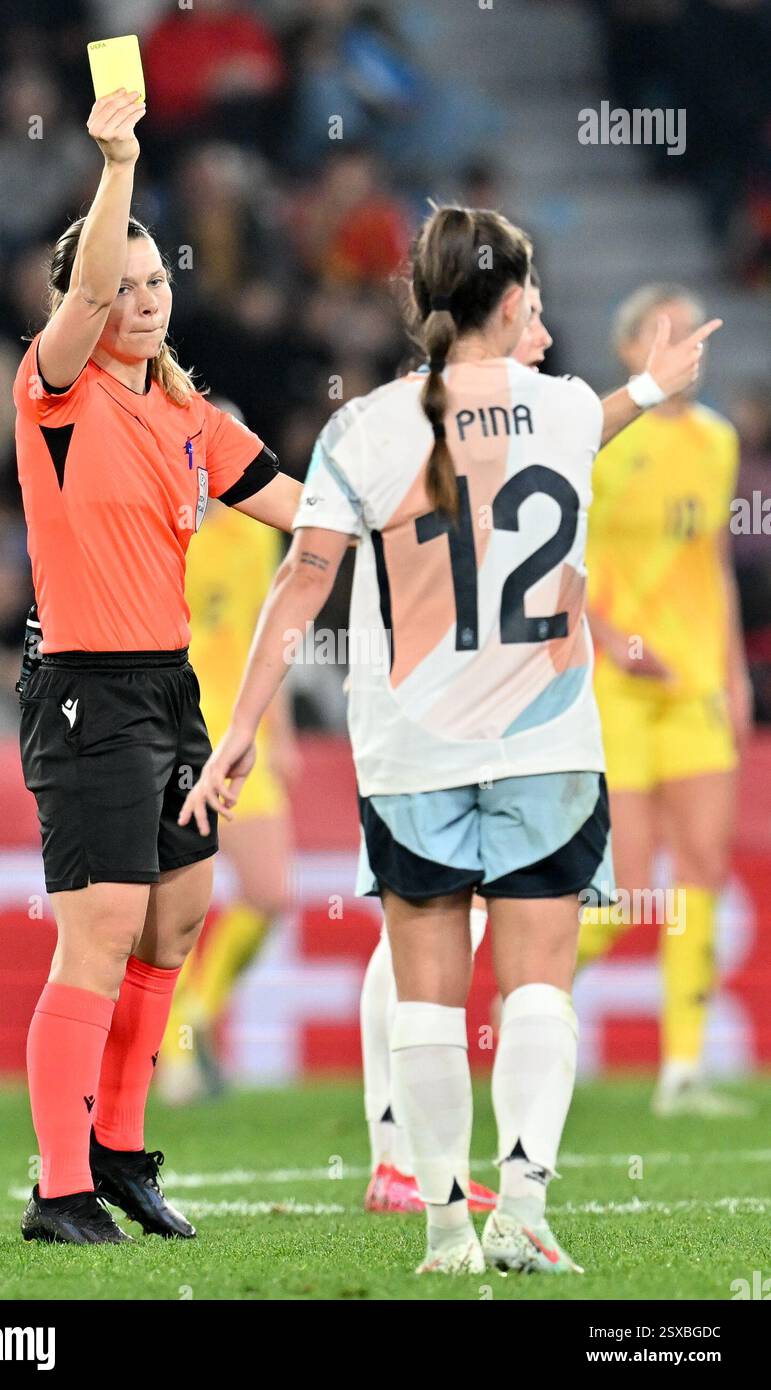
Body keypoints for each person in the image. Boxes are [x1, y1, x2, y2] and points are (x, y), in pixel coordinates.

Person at [183, 204, 623, 1276]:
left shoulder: (365, 429)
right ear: (516, 301)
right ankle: (523, 1205)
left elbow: (304, 578)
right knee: (537, 988)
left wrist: (241, 724)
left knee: (426, 990)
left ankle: (442, 1230)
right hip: (547, 742)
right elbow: (603, 415)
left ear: (419, 302)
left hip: (412, 746)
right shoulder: (565, 411)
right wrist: (654, 384)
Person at [360, 270, 723, 1211]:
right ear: (498, 320)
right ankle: (411, 1156)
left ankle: (438, 1178)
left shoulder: (527, 419)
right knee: (448, 937)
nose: (548, 334)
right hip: (474, 717)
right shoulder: (451, 424)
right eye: (533, 317)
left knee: (462, 930)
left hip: (516, 722)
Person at [12, 89, 299, 1245]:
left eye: (154, 282)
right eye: (120, 285)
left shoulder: (191, 414)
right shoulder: (58, 392)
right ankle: (59, 1186)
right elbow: (81, 291)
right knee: (102, 929)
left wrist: (422, 490)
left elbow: (299, 504)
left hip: (171, 689)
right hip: (86, 687)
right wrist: (120, 157)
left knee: (178, 924)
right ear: (84, 300)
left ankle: (122, 1151)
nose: (140, 299)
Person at [577, 284, 750, 1117]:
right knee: (623, 888)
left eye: (693, 331)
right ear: (625, 348)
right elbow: (555, 561)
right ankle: (532, 995)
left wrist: (735, 674)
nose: (686, 345)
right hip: (619, 685)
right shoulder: (601, 439)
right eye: (667, 332)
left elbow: (711, 558)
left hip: (696, 687)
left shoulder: (718, 440)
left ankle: (682, 1068)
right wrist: (611, 643)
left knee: (703, 870)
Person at [158, 473, 297, 1104]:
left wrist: (283, 727)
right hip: (176, 730)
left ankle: (195, 1012)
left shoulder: (255, 536)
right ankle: (171, 1045)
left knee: (270, 893)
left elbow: (271, 630)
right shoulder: (160, 534)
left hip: (243, 732)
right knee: (176, 900)